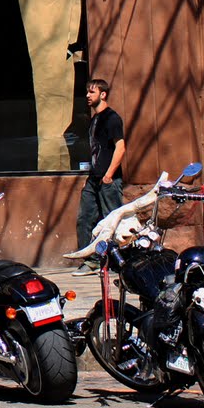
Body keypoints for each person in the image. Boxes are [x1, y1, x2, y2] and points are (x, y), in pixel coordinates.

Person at [74, 78, 126, 274]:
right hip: (94, 178)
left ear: (103, 94)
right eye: (87, 92)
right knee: (85, 218)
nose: (87, 95)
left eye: (92, 92)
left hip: (108, 179)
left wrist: (109, 174)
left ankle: (118, 261)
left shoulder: (112, 118)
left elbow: (120, 148)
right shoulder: (95, 119)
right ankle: (90, 261)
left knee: (112, 219)